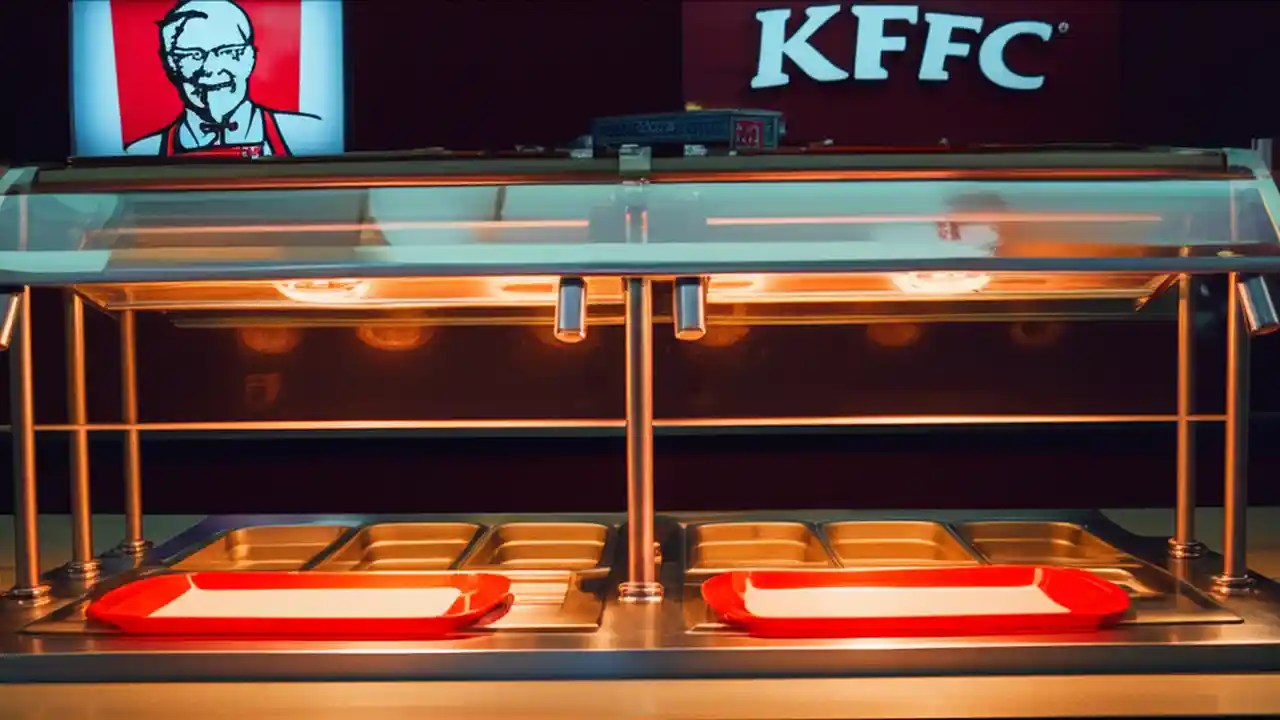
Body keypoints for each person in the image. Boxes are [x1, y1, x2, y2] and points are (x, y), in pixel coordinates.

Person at [125, 0, 322, 157]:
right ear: (170, 63)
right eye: (193, 55)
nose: (210, 69)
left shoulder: (308, 135)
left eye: (227, 52)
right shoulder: (142, 152)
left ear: (250, 58)